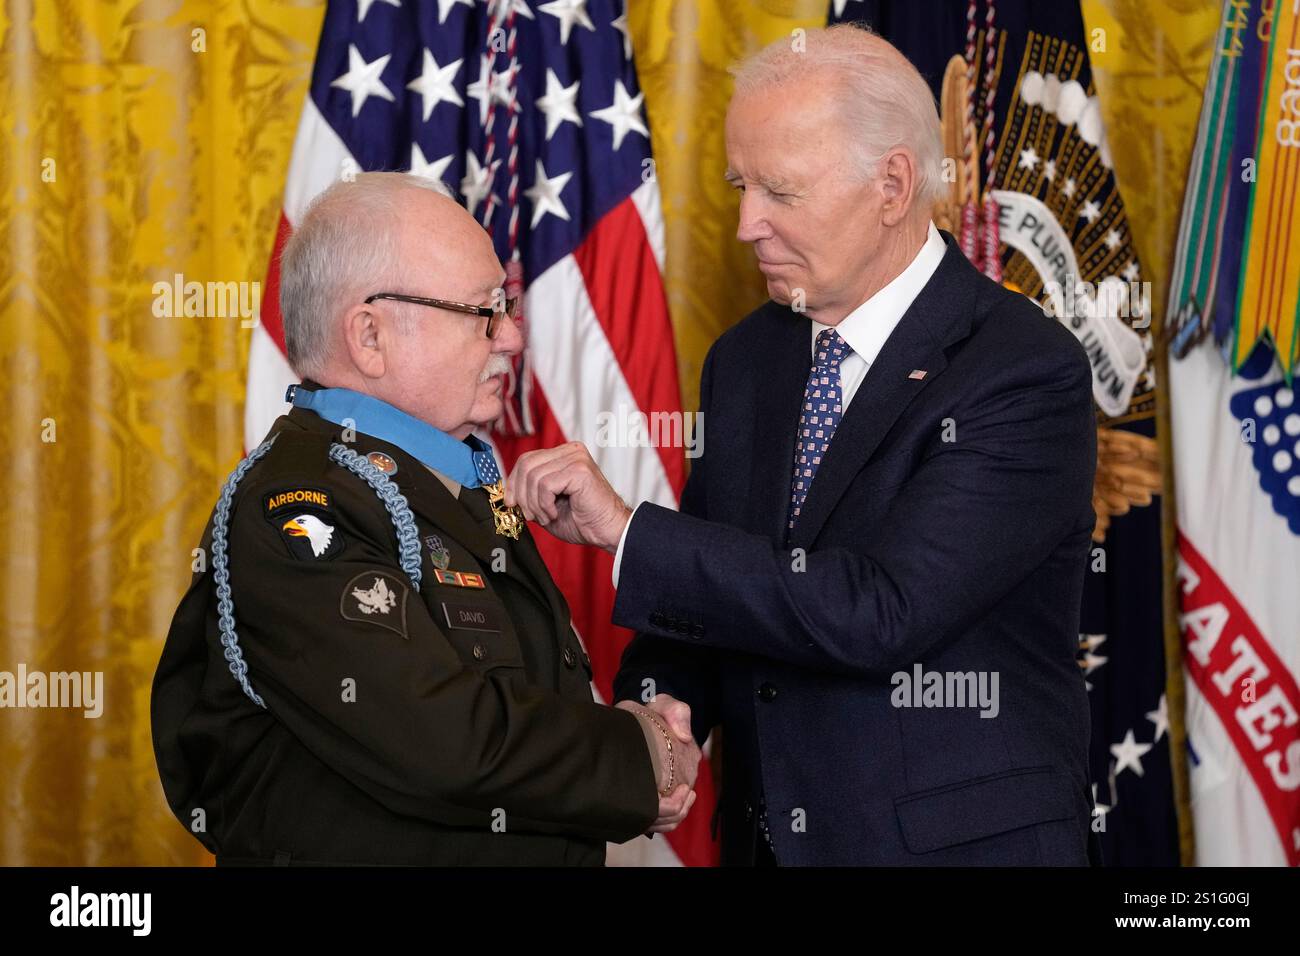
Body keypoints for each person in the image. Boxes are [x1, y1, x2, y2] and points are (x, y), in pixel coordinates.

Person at [506, 24, 1099, 865]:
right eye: (739, 185)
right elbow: (723, 586)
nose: (747, 224)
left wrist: (627, 530)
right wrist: (656, 711)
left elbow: (882, 611)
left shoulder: (1022, 371)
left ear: (892, 185)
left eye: (780, 192)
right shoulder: (747, 359)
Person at [151, 172, 700, 866]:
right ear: (370, 336)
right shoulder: (296, 506)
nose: (511, 336)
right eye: (483, 311)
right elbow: (442, 739)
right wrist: (639, 753)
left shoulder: (444, 480)